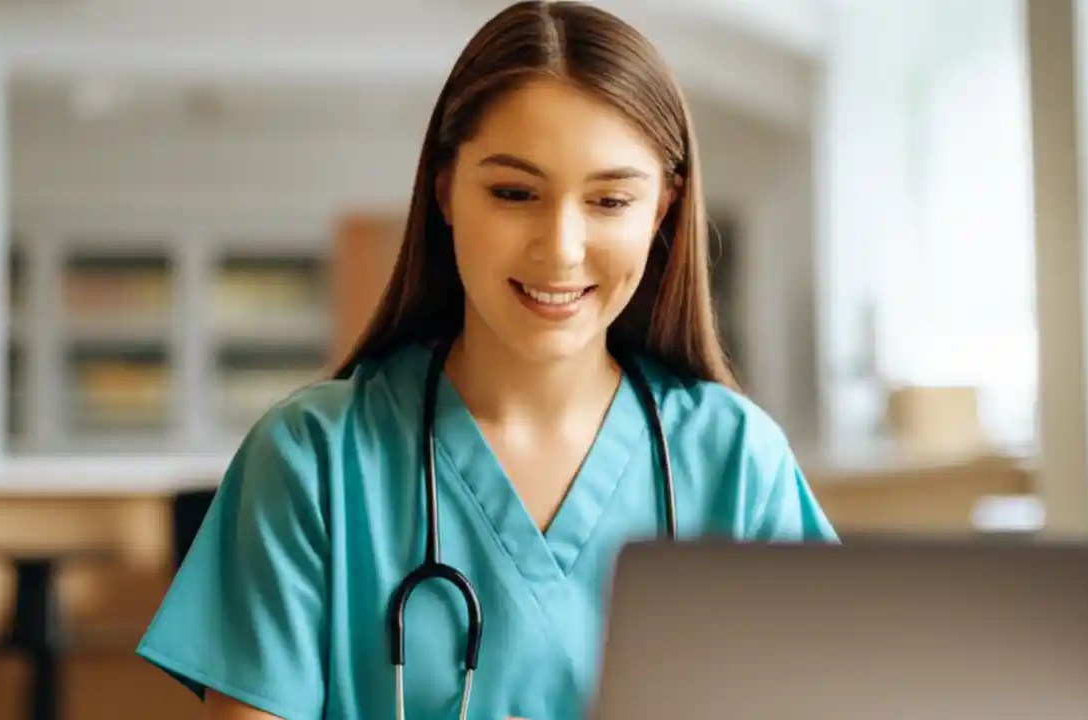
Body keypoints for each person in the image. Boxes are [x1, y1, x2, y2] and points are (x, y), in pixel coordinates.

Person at [135, 2, 837, 718]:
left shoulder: (737, 463)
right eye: (514, 193)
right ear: (445, 190)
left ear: (661, 210)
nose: (561, 246)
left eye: (611, 200)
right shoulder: (312, 461)